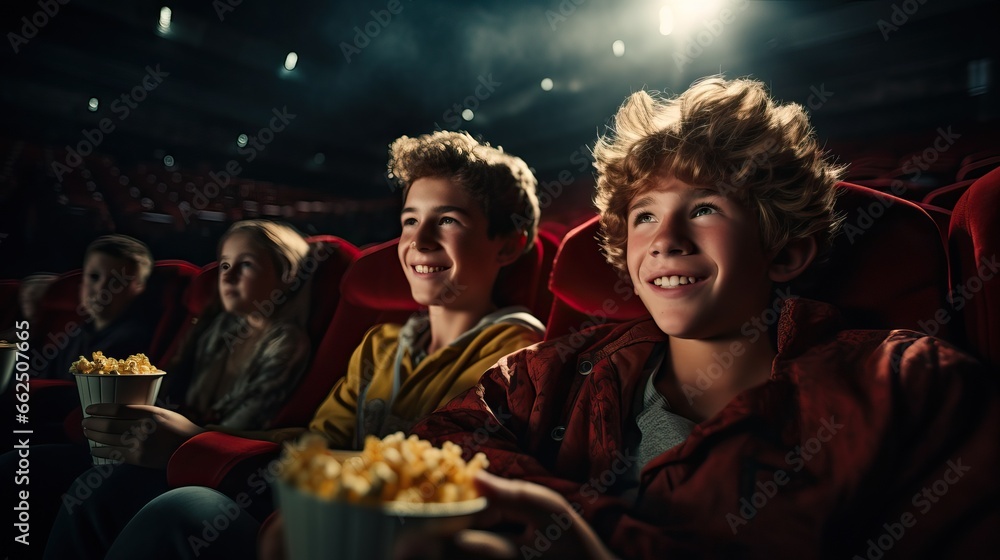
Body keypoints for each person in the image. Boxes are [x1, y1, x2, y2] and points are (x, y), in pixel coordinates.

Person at [399, 76, 1000, 558]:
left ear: (784, 249)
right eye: (644, 216)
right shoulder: (543, 374)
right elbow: (433, 449)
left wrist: (582, 535)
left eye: (705, 207)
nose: (666, 239)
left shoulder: (903, 383)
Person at [43, 130, 546, 560]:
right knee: (109, 488)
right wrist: (200, 435)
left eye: (449, 220)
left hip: (383, 539)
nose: (420, 240)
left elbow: (437, 475)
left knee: (186, 510)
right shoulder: (383, 342)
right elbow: (317, 441)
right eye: (411, 220)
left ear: (509, 243)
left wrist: (202, 443)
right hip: (314, 509)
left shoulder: (519, 354)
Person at [3, 220, 313, 560]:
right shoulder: (213, 329)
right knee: (26, 463)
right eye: (224, 264)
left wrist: (190, 437)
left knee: (103, 488)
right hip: (162, 443)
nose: (227, 275)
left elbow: (251, 423)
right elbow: (173, 389)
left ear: (287, 275)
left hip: (211, 462)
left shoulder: (286, 343)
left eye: (247, 264)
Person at [39, 235, 154, 380]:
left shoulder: (132, 342)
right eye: (94, 277)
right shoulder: (75, 333)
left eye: (116, 282)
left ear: (138, 288)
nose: (101, 289)